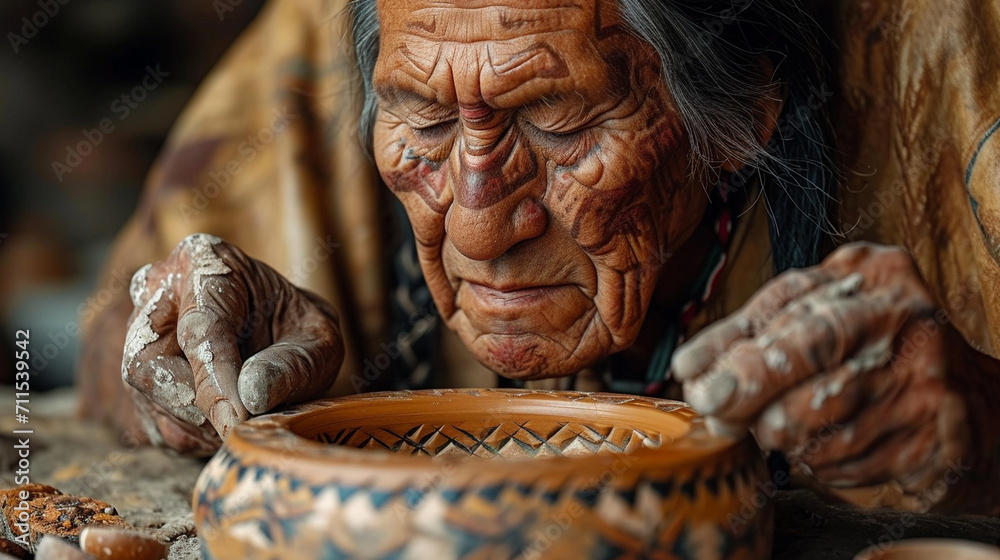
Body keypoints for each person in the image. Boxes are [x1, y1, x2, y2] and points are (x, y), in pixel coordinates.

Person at [77, 0, 1000, 515]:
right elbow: (111, 334)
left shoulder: (950, 70)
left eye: (560, 124)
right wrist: (189, 362)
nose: (480, 230)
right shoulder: (342, 30)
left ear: (745, 115)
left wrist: (987, 420)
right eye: (426, 123)